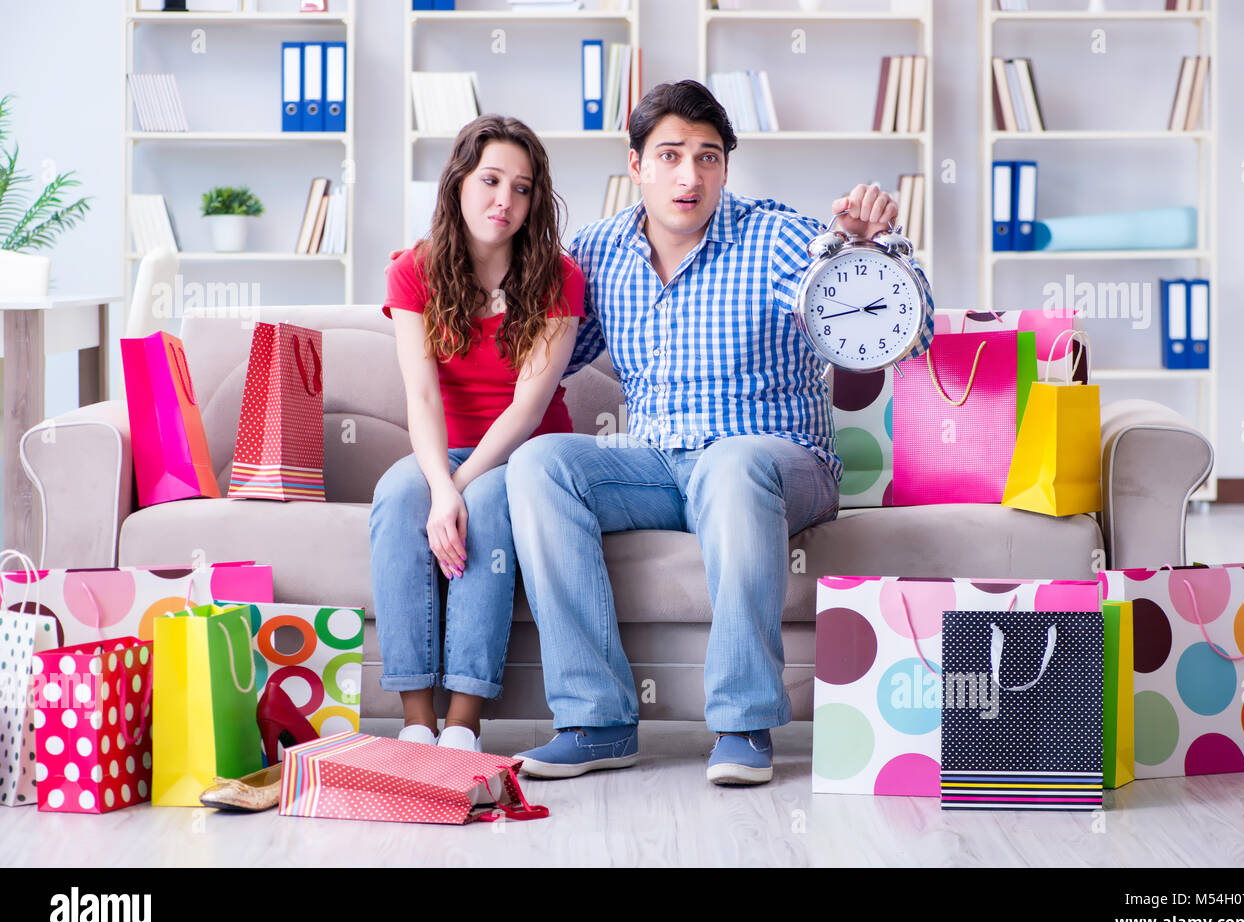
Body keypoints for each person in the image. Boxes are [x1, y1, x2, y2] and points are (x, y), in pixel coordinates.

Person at [505, 80, 899, 784]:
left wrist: (872, 251)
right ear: (635, 165)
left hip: (779, 462)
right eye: (671, 155)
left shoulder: (777, 238)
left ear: (726, 166)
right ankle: (597, 721)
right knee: (541, 465)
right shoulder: (598, 253)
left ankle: (744, 723)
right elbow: (536, 357)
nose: (690, 175)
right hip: (657, 464)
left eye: (709, 157)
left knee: (729, 460)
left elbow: (902, 329)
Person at [369, 115, 584, 753]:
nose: (505, 201)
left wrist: (459, 488)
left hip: (522, 451)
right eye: (490, 180)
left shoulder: (558, 276)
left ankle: (463, 723)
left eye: (522, 189)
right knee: (397, 498)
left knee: (485, 507)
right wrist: (440, 485)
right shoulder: (414, 269)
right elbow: (422, 393)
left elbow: (527, 405)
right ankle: (415, 719)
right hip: (441, 446)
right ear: (458, 183)